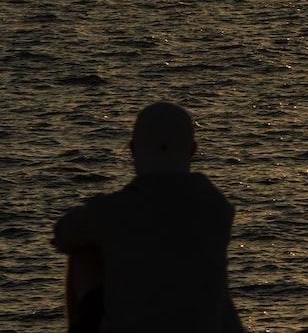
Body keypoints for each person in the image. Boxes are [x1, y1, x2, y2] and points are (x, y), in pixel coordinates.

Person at [53, 102, 244, 333]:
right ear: (192, 150)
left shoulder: (111, 211)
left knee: (83, 249)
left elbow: (63, 235)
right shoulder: (216, 206)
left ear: (132, 149)